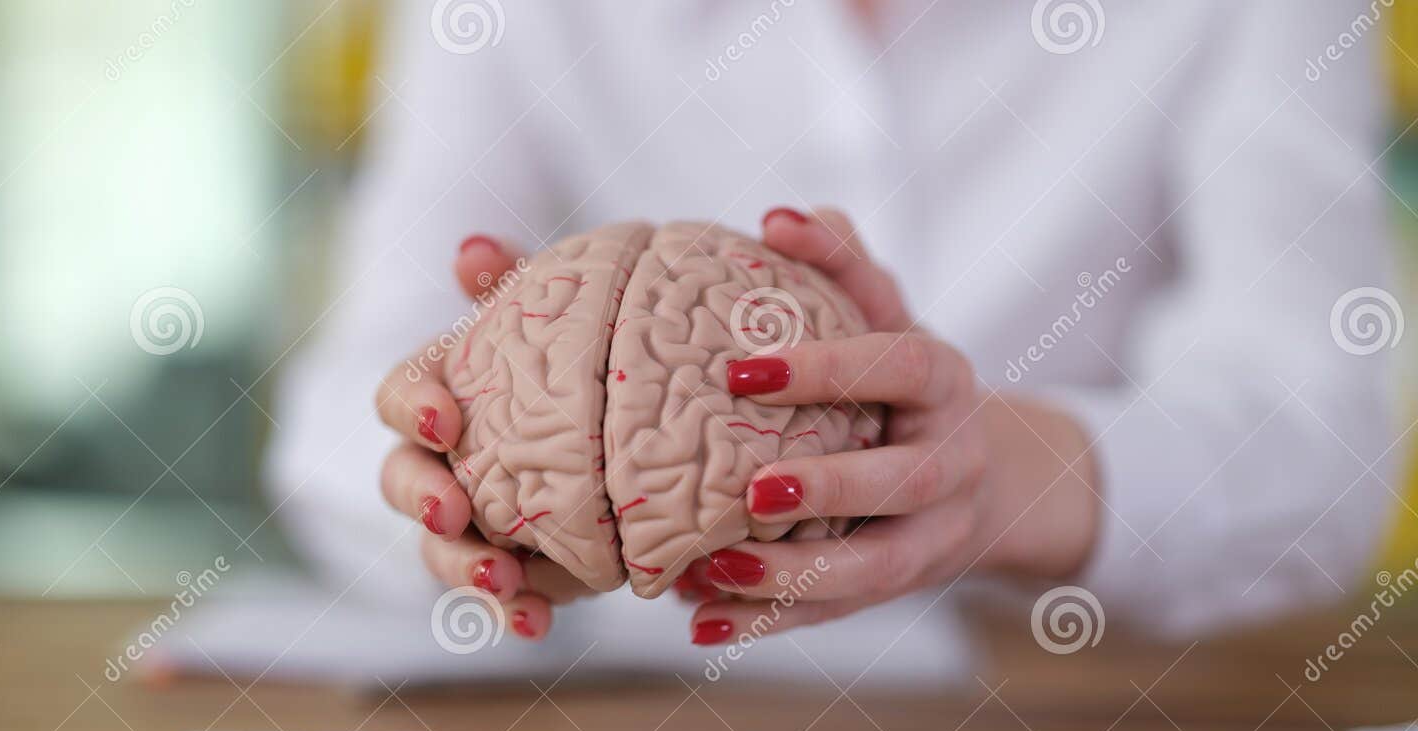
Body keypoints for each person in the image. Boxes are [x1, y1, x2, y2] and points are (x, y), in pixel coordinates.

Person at [268, 0, 1398, 661]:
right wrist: (463, 477)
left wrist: (991, 480)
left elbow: (1318, 442)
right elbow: (342, 411)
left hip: (1087, 722)